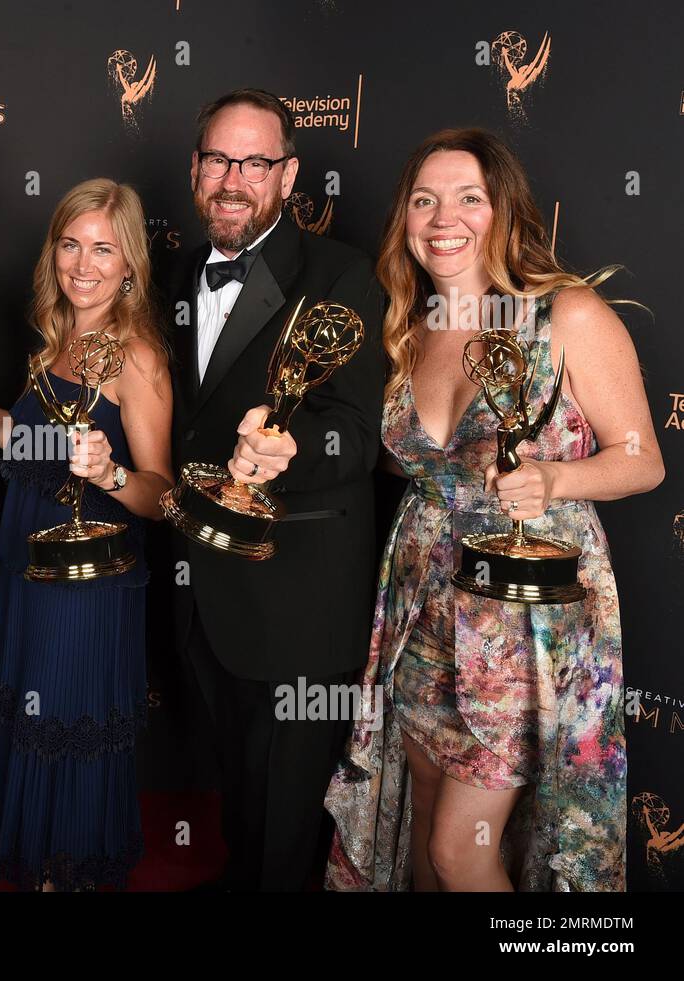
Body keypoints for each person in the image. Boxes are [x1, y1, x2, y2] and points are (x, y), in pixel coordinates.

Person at [325, 128, 663, 892]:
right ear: (405, 221)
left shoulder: (564, 315)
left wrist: (552, 478)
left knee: (459, 852)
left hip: (527, 626)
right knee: (421, 838)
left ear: (503, 209)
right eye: (424, 200)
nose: (445, 218)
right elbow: (404, 463)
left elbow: (644, 459)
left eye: (468, 197)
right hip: (422, 611)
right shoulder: (405, 333)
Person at [167, 88, 385, 890]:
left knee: (288, 823)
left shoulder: (343, 276)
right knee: (241, 804)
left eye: (255, 162)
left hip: (297, 596)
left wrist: (290, 449)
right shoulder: (180, 274)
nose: (233, 178)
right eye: (219, 159)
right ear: (195, 170)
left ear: (288, 176)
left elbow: (357, 435)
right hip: (206, 587)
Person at [0, 179, 173, 891]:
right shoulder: (58, 340)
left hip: (89, 585)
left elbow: (161, 494)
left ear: (130, 266)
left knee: (67, 717)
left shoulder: (137, 357)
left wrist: (112, 473)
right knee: (29, 711)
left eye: (103, 249)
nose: (83, 265)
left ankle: (68, 874)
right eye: (69, 244)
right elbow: (28, 443)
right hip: (29, 560)